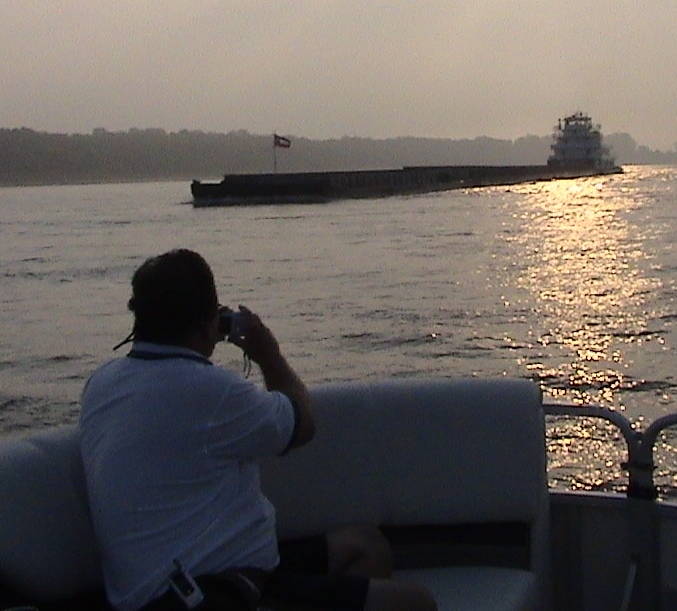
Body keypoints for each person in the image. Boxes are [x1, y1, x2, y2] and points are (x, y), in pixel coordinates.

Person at [80, 248, 437, 611]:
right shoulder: (211, 391)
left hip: (193, 580)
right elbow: (301, 423)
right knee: (415, 603)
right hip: (208, 596)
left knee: (366, 545)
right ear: (210, 321)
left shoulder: (102, 383)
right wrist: (268, 354)